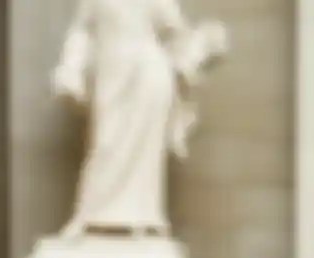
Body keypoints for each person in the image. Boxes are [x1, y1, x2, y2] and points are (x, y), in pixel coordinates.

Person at [54, 0, 226, 239]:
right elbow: (81, 31)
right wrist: (70, 69)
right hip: (111, 72)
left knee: (144, 152)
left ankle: (142, 216)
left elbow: (176, 33)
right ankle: (89, 215)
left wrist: (202, 47)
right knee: (106, 144)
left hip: (147, 74)